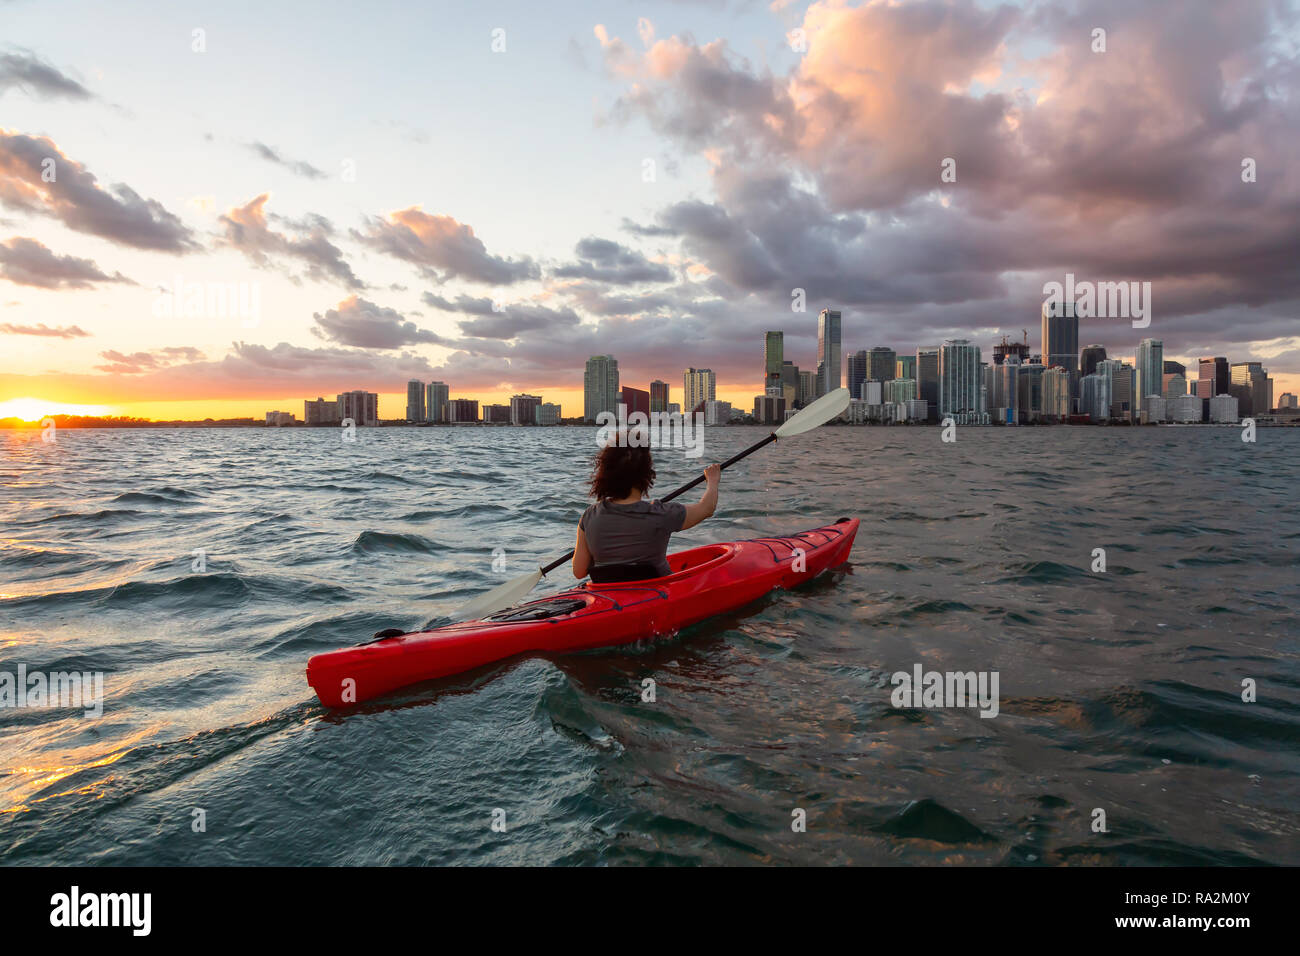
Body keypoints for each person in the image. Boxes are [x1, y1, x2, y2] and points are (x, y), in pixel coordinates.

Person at [572, 439, 720, 582]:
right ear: (647, 474)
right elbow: (707, 508)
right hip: (657, 594)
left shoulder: (589, 516)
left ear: (605, 474)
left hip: (611, 596)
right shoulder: (661, 514)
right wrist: (712, 480)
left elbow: (579, 572)